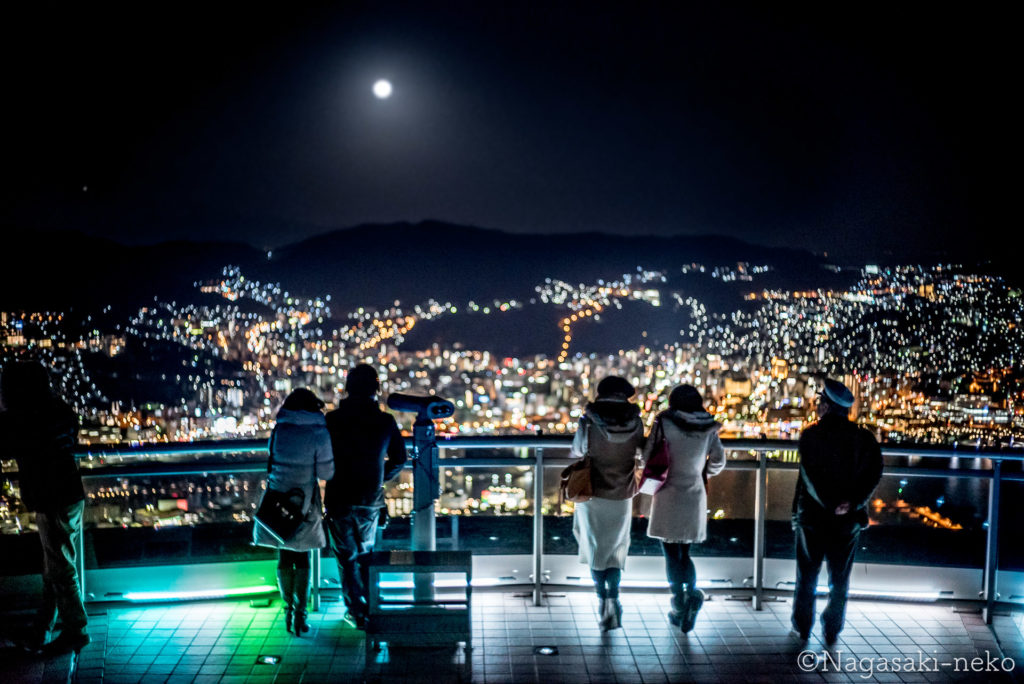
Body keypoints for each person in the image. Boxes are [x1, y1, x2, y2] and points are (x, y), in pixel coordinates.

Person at [0, 361, 89, 654]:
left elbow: (7, 444)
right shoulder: (57, 409)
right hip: (68, 493)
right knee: (54, 566)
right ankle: (42, 628)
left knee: (60, 568)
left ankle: (75, 630)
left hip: (52, 498)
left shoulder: (27, 417)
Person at [791, 378, 882, 645]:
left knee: (807, 574)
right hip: (848, 521)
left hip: (812, 519)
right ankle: (832, 628)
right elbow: (875, 473)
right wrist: (852, 503)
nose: (817, 406)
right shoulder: (864, 438)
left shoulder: (811, 435)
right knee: (840, 578)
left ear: (827, 406)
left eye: (820, 402)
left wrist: (829, 503)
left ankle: (803, 625)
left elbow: (809, 478)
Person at [324, 364, 407, 628]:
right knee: (366, 555)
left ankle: (356, 611)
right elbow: (400, 458)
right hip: (369, 499)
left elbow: (322, 457)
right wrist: (378, 477)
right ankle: (371, 606)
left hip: (339, 496)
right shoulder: (385, 421)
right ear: (376, 389)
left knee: (346, 558)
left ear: (348, 388)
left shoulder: (332, 420)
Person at [645, 384, 726, 633]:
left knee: (671, 553)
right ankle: (690, 594)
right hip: (694, 493)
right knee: (685, 552)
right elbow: (719, 460)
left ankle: (679, 604)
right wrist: (702, 473)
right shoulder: (709, 426)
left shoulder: (664, 422)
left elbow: (648, 455)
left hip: (667, 492)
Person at [254, 388, 334, 636]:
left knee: (284, 556)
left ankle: (288, 610)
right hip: (303, 504)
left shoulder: (280, 430)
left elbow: (271, 462)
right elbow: (326, 473)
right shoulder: (318, 433)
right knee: (302, 558)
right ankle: (301, 614)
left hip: (277, 504)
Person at [571, 375, 645, 631]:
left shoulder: (589, 421)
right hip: (622, 494)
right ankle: (613, 599)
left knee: (595, 550)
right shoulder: (635, 422)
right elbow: (642, 452)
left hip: (592, 491)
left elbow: (578, 450)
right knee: (615, 550)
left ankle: (602, 600)